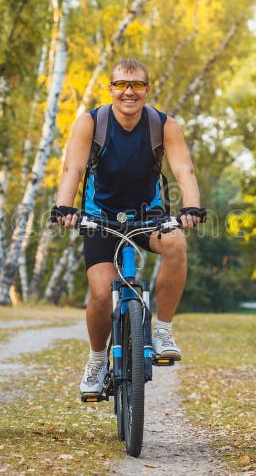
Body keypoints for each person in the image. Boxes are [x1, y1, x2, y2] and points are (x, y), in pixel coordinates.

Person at [52, 58, 204, 397]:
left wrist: (191, 206)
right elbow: (72, 169)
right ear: (111, 89)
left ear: (147, 89)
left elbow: (184, 171)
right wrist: (65, 207)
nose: (129, 92)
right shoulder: (91, 122)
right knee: (102, 294)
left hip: (147, 216)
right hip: (99, 217)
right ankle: (95, 360)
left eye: (136, 85)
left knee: (176, 244)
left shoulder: (164, 125)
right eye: (121, 85)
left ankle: (162, 330)